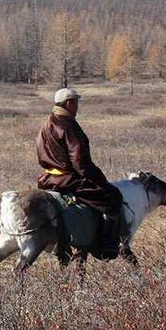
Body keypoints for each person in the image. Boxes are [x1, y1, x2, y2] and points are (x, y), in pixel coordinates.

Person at [36, 87, 124, 259]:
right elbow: (80, 163)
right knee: (113, 197)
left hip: (47, 179)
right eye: (76, 102)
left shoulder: (46, 124)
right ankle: (106, 245)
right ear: (69, 104)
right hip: (68, 180)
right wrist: (100, 180)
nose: (77, 106)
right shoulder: (68, 126)